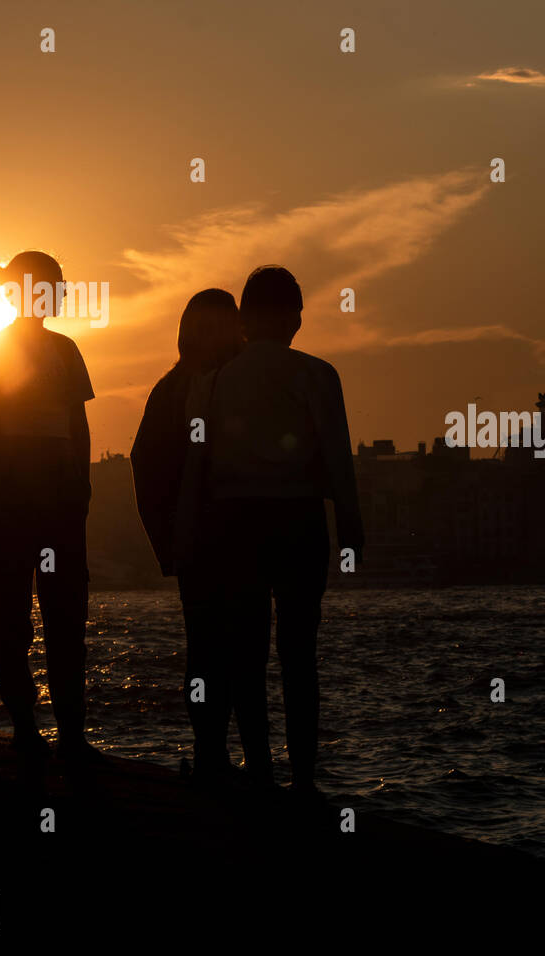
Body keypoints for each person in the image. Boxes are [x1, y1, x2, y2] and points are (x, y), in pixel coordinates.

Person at [200, 265, 363, 795]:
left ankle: (260, 771)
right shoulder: (318, 375)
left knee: (245, 651)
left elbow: (203, 464)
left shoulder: (218, 381)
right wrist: (352, 525)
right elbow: (338, 458)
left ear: (245, 319)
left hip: (236, 521)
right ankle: (304, 778)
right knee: (298, 653)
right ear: (295, 317)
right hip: (299, 519)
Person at [0, 250, 99, 762]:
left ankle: (66, 737)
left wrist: (81, 489)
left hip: (54, 501)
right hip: (17, 502)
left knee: (60, 618)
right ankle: (31, 733)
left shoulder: (65, 351)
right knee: (20, 618)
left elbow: (78, 428)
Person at [131, 289, 243, 782]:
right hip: (210, 539)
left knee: (221, 648)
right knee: (220, 648)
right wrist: (168, 537)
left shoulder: (174, 388)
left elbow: (143, 464)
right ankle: (216, 756)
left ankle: (216, 758)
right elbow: (145, 464)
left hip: (216, 538)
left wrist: (167, 538)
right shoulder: (181, 390)